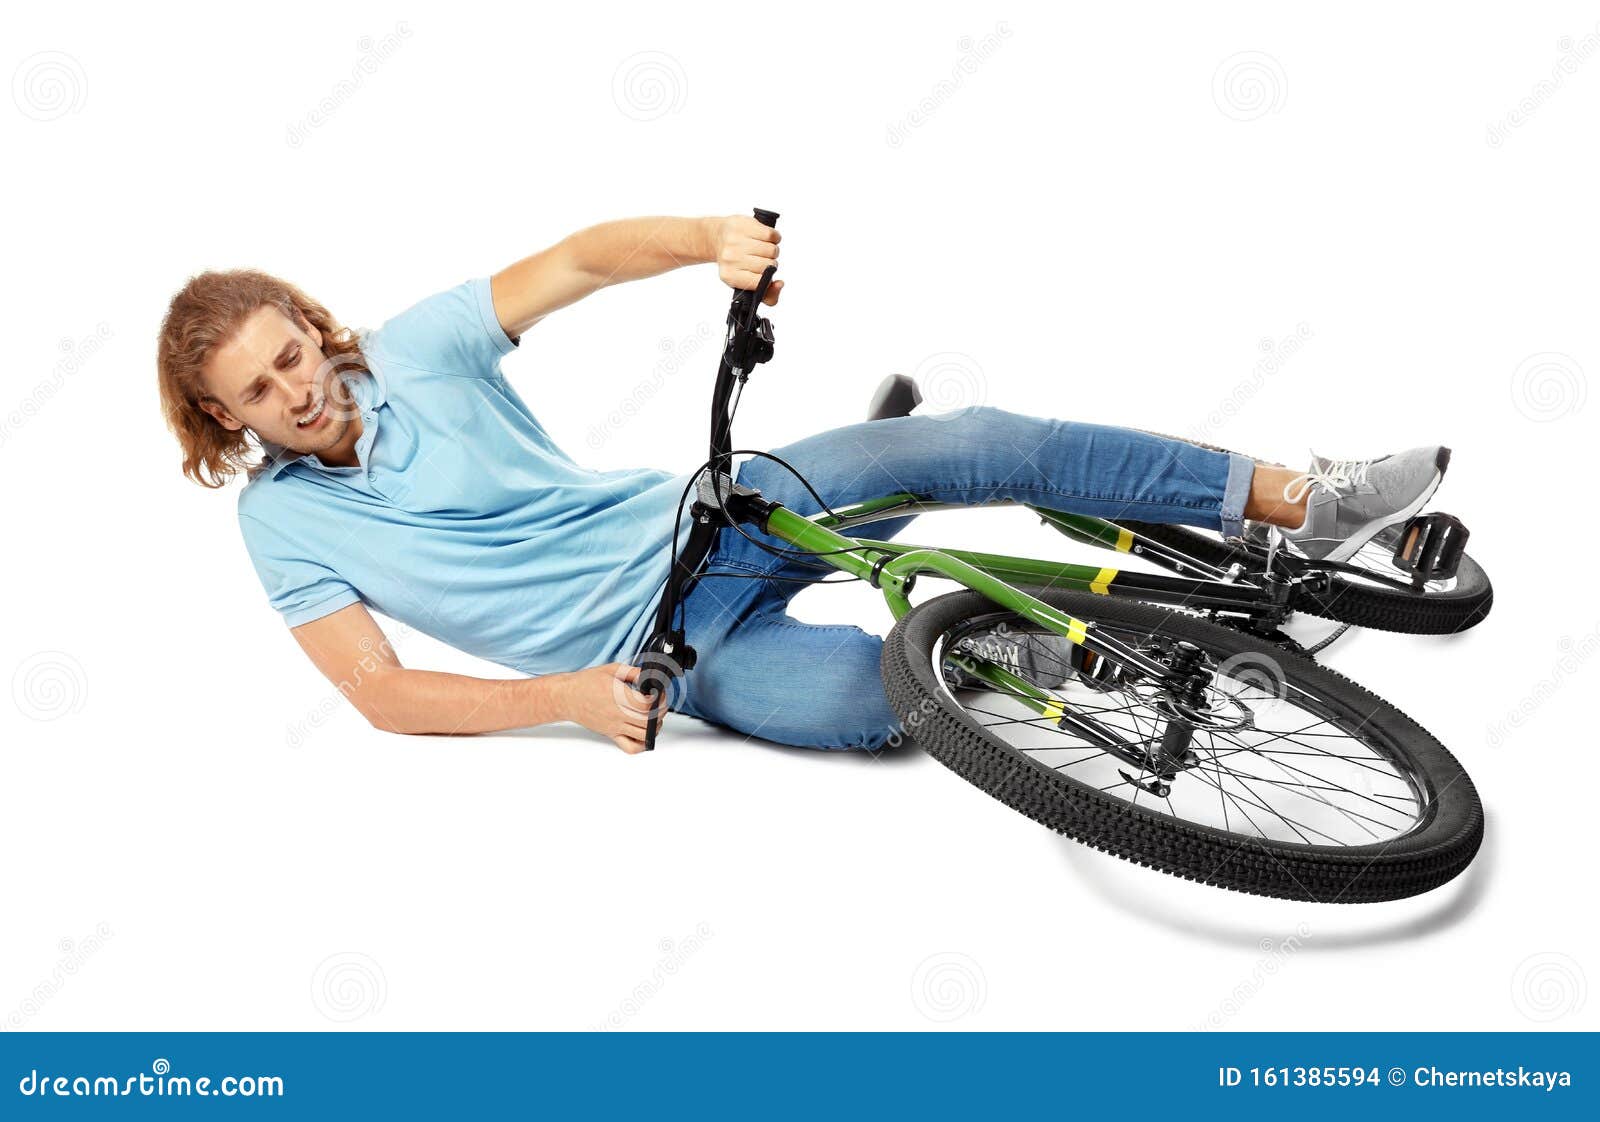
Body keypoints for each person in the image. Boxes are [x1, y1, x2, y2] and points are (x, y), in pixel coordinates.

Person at [156, 215, 1448, 753]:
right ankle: (1141, 661)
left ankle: (1301, 495)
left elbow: (581, 261)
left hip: (712, 512)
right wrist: (561, 695)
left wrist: (709, 240)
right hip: (668, 652)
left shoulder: (415, 350)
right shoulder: (282, 525)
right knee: (885, 701)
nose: (297, 393)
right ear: (226, 417)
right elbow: (377, 693)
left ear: (312, 328)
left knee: (951, 444)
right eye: (259, 393)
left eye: (292, 355)